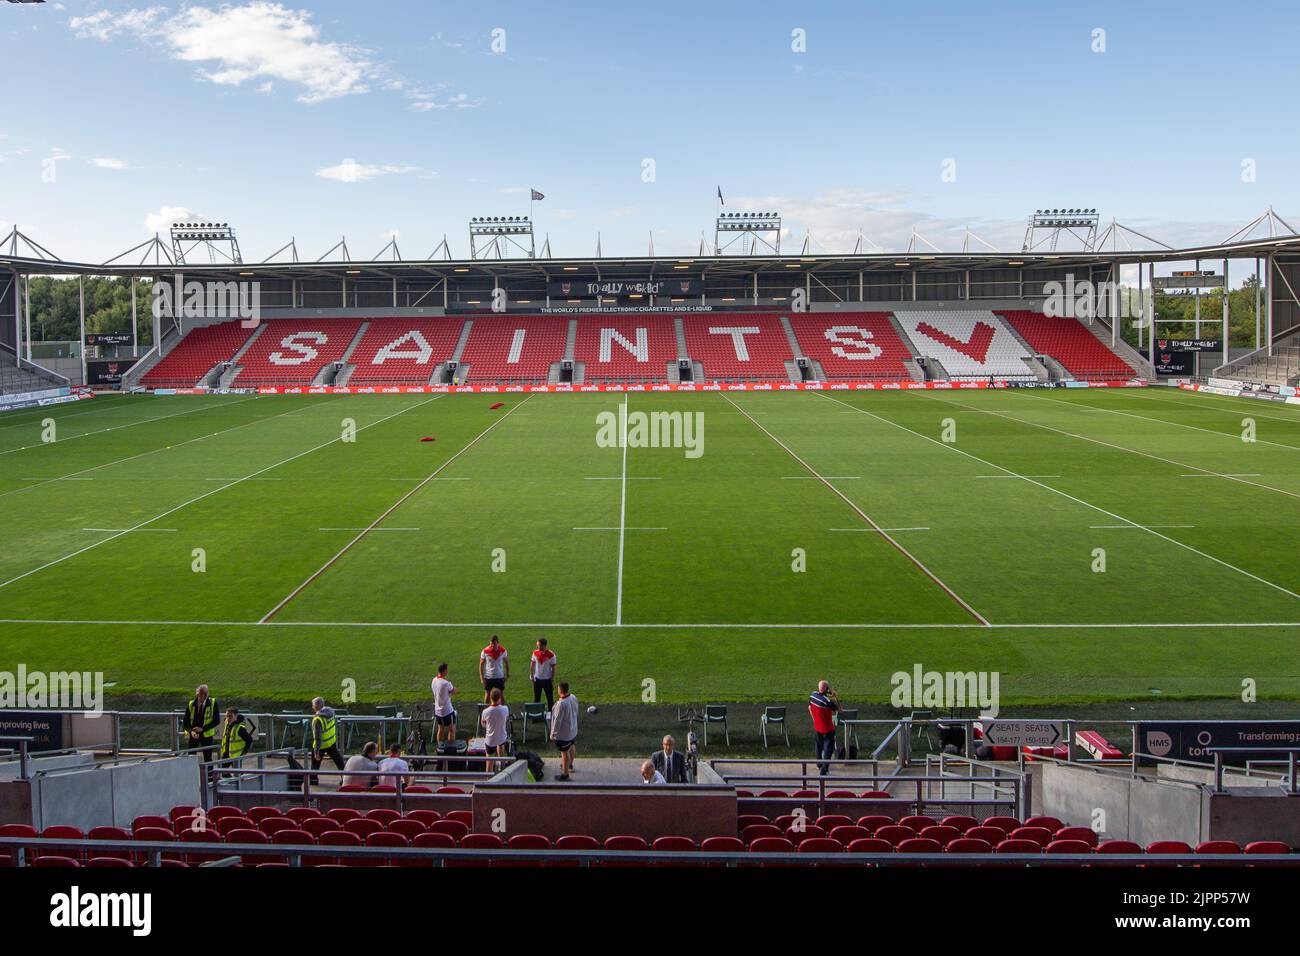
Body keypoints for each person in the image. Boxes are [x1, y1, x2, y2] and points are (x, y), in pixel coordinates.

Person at [310, 696, 346, 784]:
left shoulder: (317, 720)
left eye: (312, 705)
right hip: (331, 742)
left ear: (315, 707)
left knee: (315, 766)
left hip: (321, 745)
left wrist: (316, 751)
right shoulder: (331, 712)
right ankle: (346, 778)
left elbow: (317, 737)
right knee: (339, 761)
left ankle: (313, 782)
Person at [809, 680, 839, 776]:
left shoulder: (812, 695)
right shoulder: (827, 701)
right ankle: (824, 770)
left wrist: (814, 719)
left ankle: (819, 764)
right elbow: (839, 709)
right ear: (826, 689)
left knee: (818, 745)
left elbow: (809, 707)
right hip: (828, 729)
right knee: (828, 749)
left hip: (817, 726)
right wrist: (835, 697)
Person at [549, 681, 578, 781]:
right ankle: (570, 765)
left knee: (564, 753)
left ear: (560, 690)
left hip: (564, 734)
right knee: (571, 746)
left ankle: (565, 773)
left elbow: (557, 721)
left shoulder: (561, 704)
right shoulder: (573, 697)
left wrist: (553, 734)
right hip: (573, 729)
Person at [183, 684, 220, 762]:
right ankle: (192, 773)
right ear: (197, 694)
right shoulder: (191, 704)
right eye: (201, 693)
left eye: (206, 693)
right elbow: (185, 723)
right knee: (191, 757)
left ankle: (209, 774)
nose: (205, 695)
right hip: (194, 734)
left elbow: (217, 721)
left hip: (206, 735)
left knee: (208, 758)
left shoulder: (213, 703)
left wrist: (202, 729)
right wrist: (191, 731)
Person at [480, 687, 510, 771]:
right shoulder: (505, 709)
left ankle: (487, 781)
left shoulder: (485, 712)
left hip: (490, 739)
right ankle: (502, 769)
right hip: (501, 737)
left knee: (489, 763)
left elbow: (483, 724)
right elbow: (506, 718)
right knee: (501, 753)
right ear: (500, 698)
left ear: (490, 698)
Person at [431, 663, 457, 744]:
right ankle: (450, 748)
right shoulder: (446, 683)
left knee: (440, 729)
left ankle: (439, 747)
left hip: (438, 710)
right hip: (447, 711)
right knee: (452, 730)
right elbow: (454, 691)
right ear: (444, 671)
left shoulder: (434, 680)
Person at [480, 635, 510, 704]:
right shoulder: (485, 651)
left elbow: (507, 662)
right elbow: (481, 664)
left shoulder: (503, 650)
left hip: (499, 676)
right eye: (491, 644)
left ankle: (502, 711)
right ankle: (485, 711)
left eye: (494, 644)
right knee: (487, 694)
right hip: (489, 676)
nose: (493, 646)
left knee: (501, 694)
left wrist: (507, 675)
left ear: (498, 643)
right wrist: (481, 677)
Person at [530, 638, 557, 709]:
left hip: (547, 680)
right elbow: (532, 665)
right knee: (537, 698)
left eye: (539, 645)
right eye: (537, 645)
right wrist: (532, 676)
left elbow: (553, 668)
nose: (538, 647)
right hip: (537, 679)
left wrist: (552, 678)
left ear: (544, 645)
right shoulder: (535, 652)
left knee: (550, 698)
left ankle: (551, 714)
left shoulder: (551, 655)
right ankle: (536, 715)